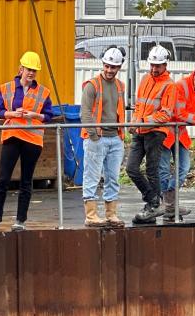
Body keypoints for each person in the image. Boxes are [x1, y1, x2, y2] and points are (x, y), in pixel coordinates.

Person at [0, 51, 54, 233]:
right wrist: (11, 114)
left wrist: (34, 115)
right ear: (21, 68)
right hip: (12, 136)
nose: (31, 73)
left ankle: (20, 220)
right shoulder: (6, 88)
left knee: (26, 181)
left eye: (34, 71)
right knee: (3, 179)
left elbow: (48, 116)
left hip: (32, 140)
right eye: (29, 69)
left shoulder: (43, 92)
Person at [159, 63, 195, 223]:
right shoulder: (181, 85)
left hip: (180, 132)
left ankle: (168, 205)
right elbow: (179, 113)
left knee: (183, 167)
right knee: (163, 169)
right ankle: (169, 205)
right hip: (165, 131)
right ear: (194, 75)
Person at [127, 44, 176, 225]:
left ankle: (153, 204)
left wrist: (143, 121)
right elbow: (138, 104)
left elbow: (165, 114)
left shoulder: (169, 85)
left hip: (156, 132)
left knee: (151, 169)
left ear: (165, 65)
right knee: (131, 168)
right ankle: (154, 201)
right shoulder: (145, 79)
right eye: (152, 65)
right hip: (141, 130)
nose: (155, 69)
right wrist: (134, 121)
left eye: (159, 65)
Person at [80, 47, 126, 228]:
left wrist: (120, 135)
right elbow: (85, 113)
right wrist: (94, 135)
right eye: (107, 66)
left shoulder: (120, 86)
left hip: (115, 138)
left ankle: (111, 214)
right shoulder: (92, 85)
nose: (109, 70)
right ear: (102, 64)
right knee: (91, 176)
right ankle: (91, 215)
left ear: (119, 67)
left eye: (113, 67)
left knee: (112, 177)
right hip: (97, 139)